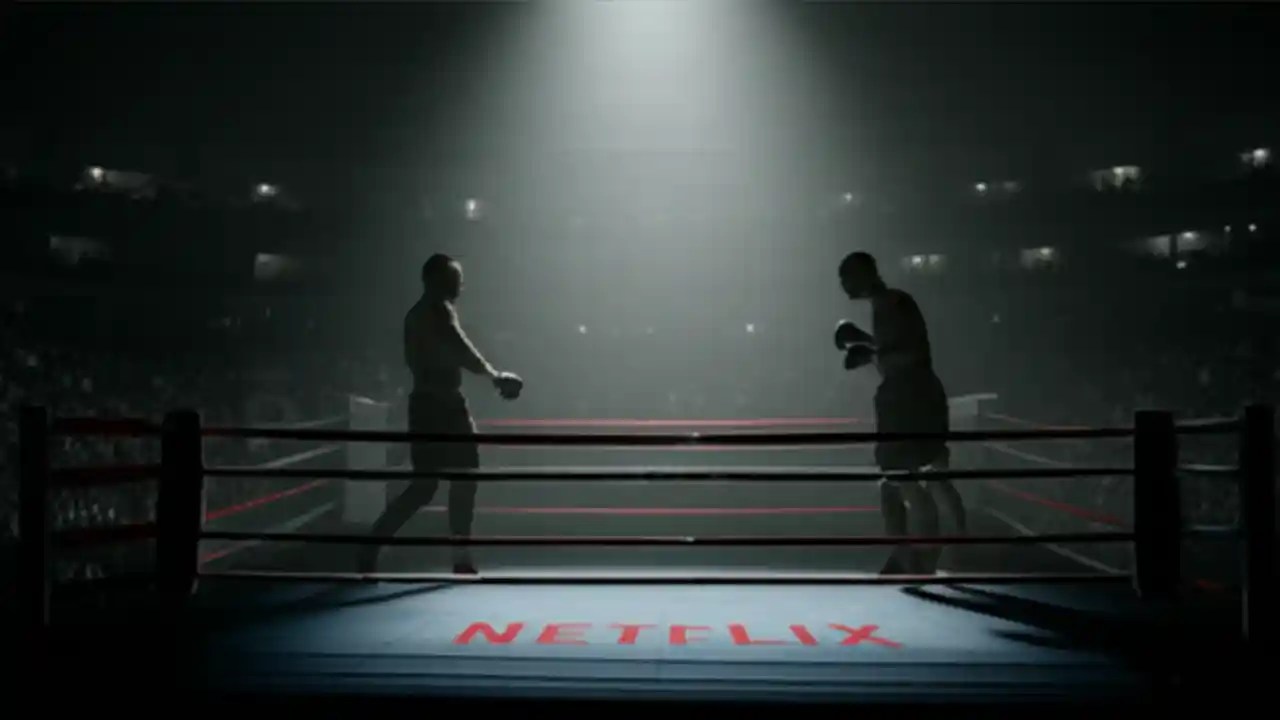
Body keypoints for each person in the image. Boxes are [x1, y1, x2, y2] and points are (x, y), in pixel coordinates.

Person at [359, 254, 523, 575]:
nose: (460, 284)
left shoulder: (420, 313)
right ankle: (458, 556)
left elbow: (451, 348)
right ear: (435, 280)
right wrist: (494, 376)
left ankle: (373, 547)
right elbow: (457, 346)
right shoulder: (436, 310)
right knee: (459, 477)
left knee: (428, 486)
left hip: (428, 402)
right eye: (454, 277)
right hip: (441, 404)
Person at [834, 251, 967, 575]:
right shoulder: (887, 305)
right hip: (911, 396)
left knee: (905, 481)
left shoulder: (894, 303)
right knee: (904, 482)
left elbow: (911, 355)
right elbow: (897, 351)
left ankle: (924, 559)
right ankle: (915, 556)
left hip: (911, 397)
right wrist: (867, 346)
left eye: (847, 278)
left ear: (863, 274)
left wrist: (867, 349)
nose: (843, 286)